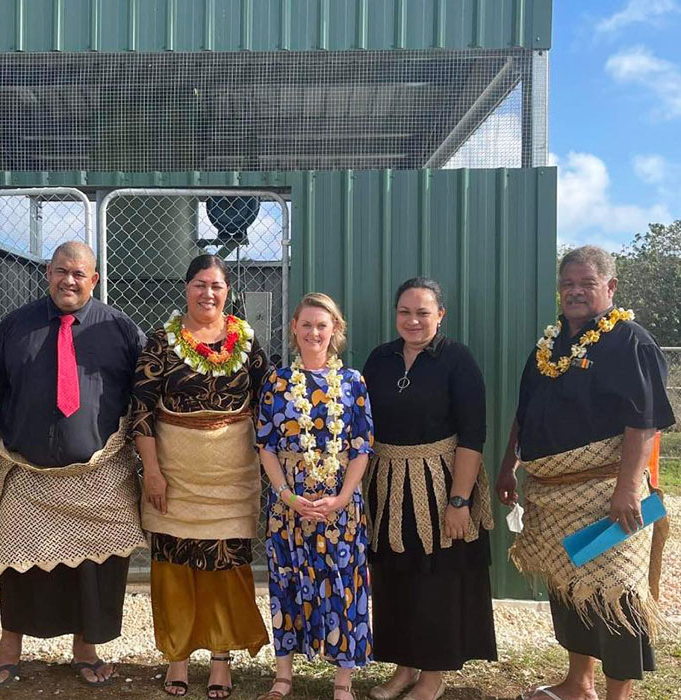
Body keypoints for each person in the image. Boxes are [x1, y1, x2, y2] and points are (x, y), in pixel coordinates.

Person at [496, 246, 675, 700]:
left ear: (610, 287)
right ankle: (578, 683)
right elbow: (525, 413)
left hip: (608, 494)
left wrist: (628, 490)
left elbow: (644, 420)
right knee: (570, 589)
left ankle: (618, 695)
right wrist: (507, 467)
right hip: (552, 495)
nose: (574, 292)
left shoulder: (630, 339)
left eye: (586, 284)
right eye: (567, 285)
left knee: (616, 594)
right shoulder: (549, 346)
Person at [0, 240, 146, 689]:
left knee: (92, 568)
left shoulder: (121, 330)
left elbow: (141, 397)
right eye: (60, 271)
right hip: (29, 475)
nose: (69, 281)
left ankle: (86, 648)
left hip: (98, 475)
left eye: (79, 274)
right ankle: (9, 648)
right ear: (48, 273)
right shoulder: (14, 327)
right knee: (17, 563)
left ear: (94, 279)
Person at [132, 254, 270, 698]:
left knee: (226, 564)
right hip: (174, 476)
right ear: (186, 288)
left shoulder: (248, 345)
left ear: (227, 291)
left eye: (216, 285)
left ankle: (221, 658)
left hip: (231, 477)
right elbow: (141, 412)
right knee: (175, 563)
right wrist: (151, 472)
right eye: (199, 284)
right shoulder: (160, 343)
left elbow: (267, 406)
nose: (207, 293)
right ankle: (177, 656)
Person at [362, 277, 497, 700]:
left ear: (441, 315)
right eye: (405, 311)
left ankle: (432, 676)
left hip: (440, 482)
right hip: (386, 483)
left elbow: (473, 434)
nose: (413, 320)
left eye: (423, 312)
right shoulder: (380, 358)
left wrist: (459, 500)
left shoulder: (457, 360)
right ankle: (404, 668)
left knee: (437, 579)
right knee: (395, 576)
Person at [255, 293, 374, 700]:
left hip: (339, 504)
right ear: (294, 327)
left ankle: (343, 680)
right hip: (290, 504)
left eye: (322, 325)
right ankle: (283, 675)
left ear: (335, 329)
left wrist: (342, 498)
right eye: (306, 324)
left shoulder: (353, 382)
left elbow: (361, 447)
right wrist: (285, 494)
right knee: (287, 579)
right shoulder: (277, 381)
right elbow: (266, 445)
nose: (313, 332)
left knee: (343, 584)